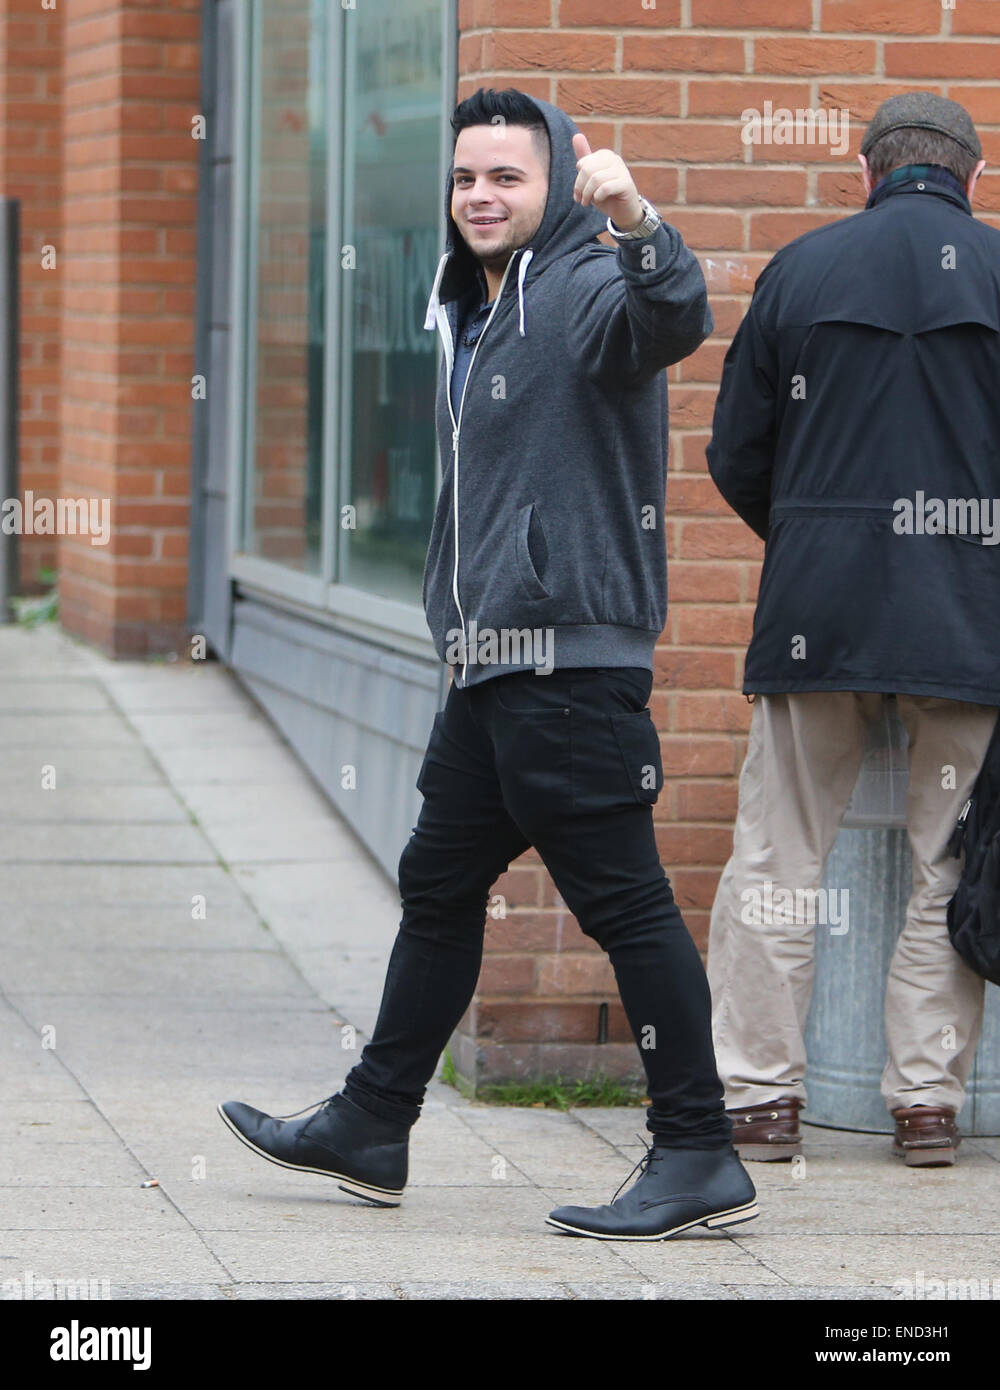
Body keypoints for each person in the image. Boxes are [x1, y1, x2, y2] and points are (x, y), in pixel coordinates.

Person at [219, 87, 758, 1240]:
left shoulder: (580, 288)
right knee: (440, 881)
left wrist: (635, 219)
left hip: (565, 663)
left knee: (627, 905)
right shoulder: (483, 303)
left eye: (505, 177)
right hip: (491, 666)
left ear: (553, 180)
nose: (479, 196)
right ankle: (372, 1122)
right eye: (465, 177)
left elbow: (671, 315)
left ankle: (698, 1148)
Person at [705, 92, 1000, 1168]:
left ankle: (759, 1103)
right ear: (972, 176)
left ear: (866, 173)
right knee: (947, 864)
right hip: (967, 619)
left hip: (812, 617)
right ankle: (925, 1106)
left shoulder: (801, 267)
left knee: (779, 855)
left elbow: (737, 452)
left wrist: (808, 539)